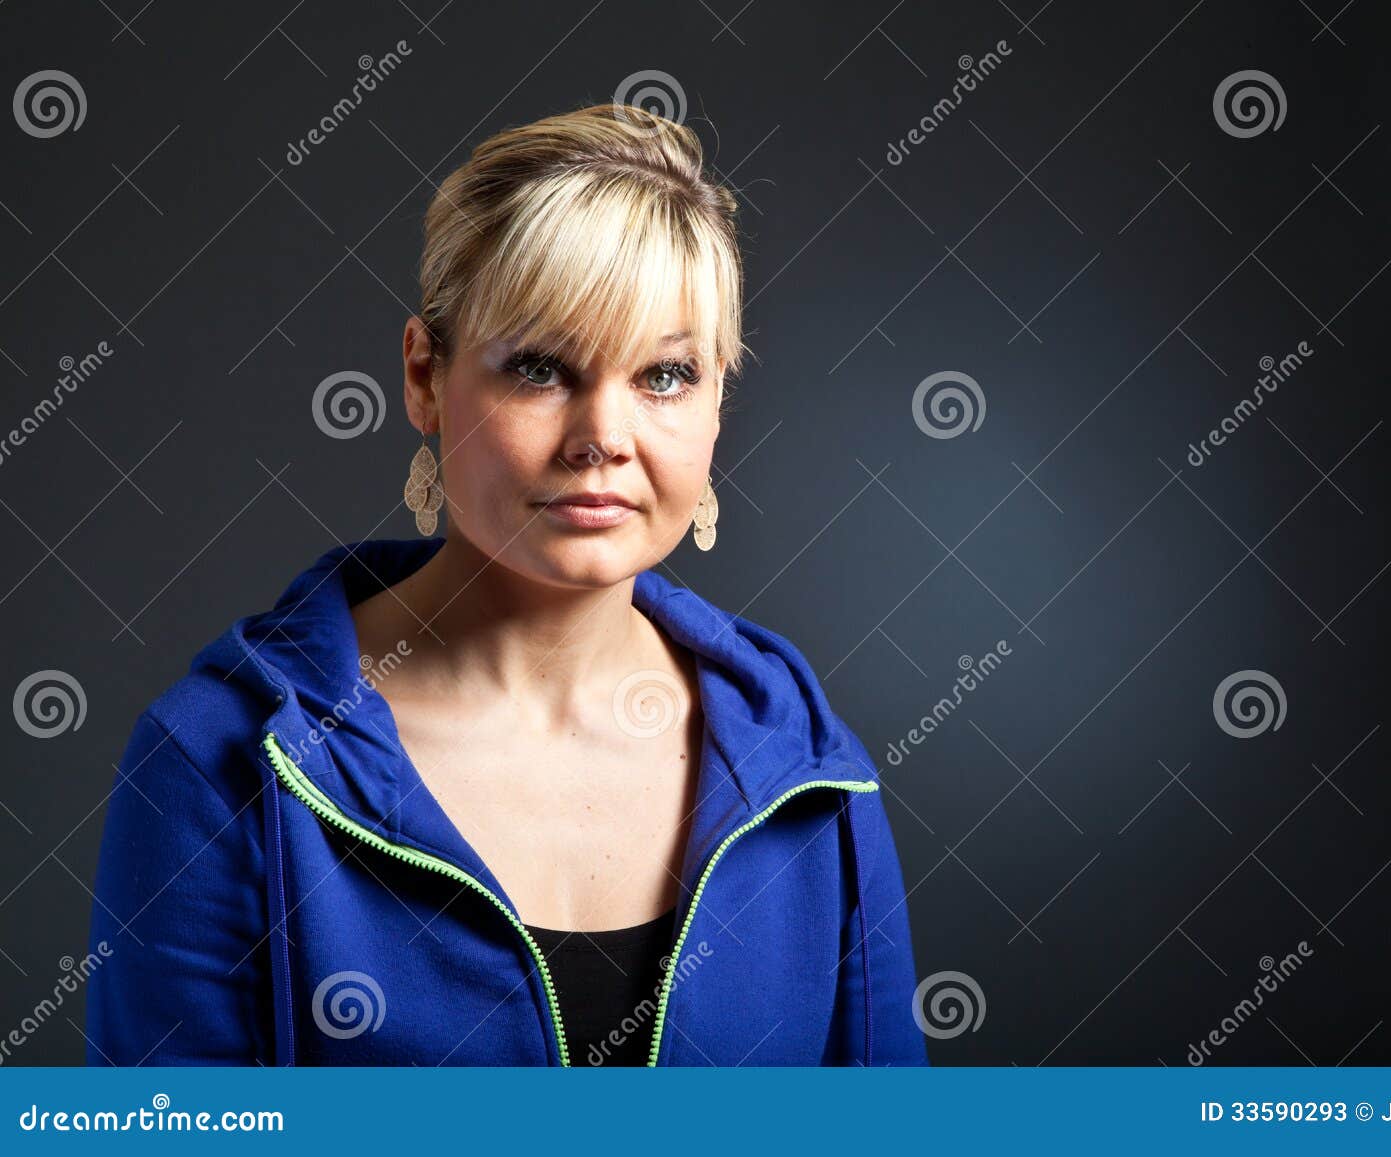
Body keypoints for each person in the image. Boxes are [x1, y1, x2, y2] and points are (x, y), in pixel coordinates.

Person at [84, 102, 927, 1067]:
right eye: (539, 367)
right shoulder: (220, 764)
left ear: (718, 400)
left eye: (665, 376)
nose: (602, 436)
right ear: (423, 377)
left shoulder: (811, 767)